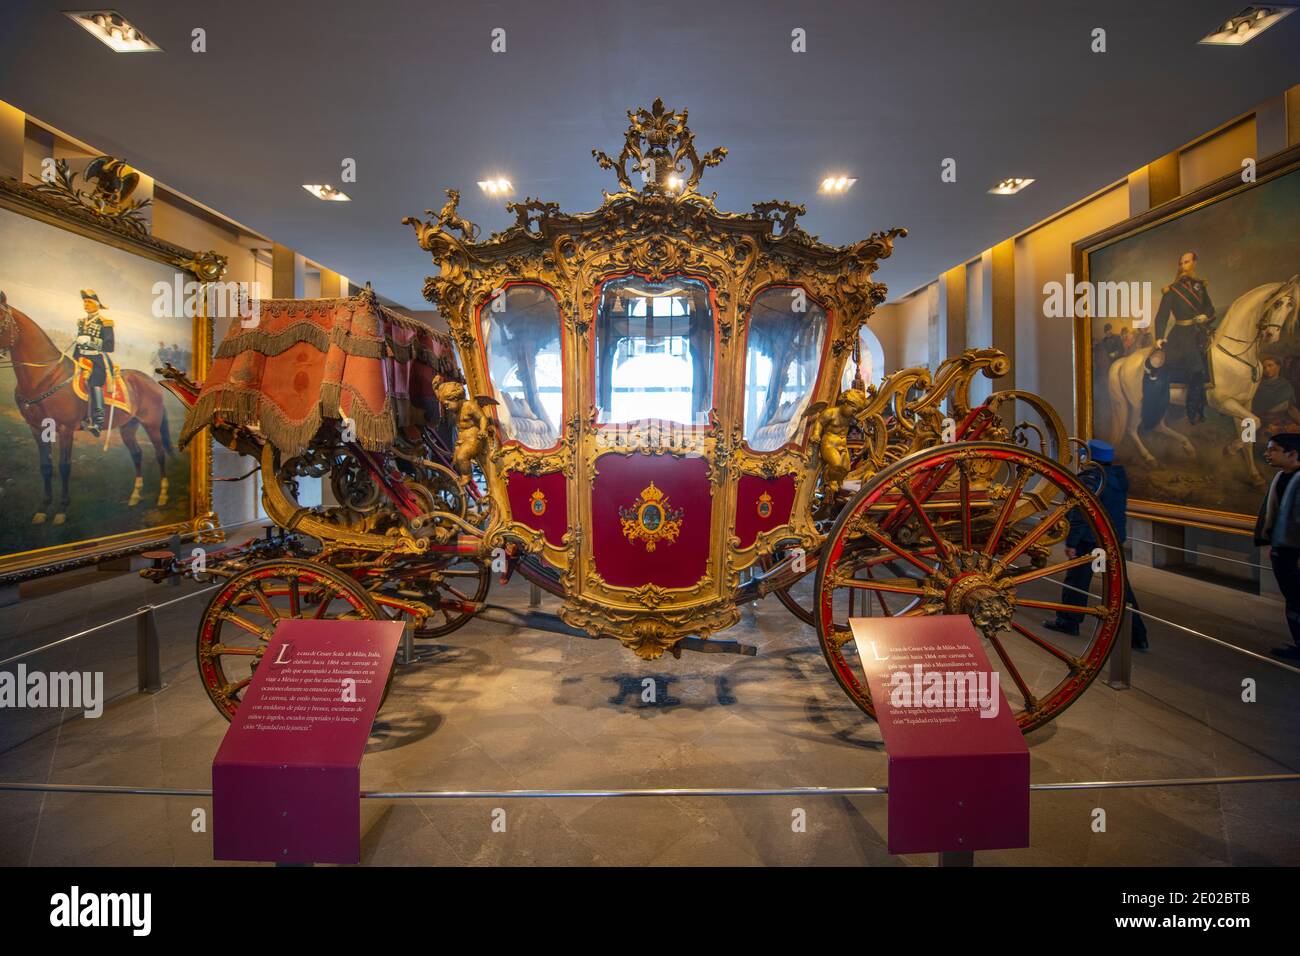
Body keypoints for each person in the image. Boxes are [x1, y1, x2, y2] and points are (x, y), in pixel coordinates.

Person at [1043, 439, 1149, 649]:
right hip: (1110, 539)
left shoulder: (1090, 480)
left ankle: (1068, 621)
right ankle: (1137, 636)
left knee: (1077, 582)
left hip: (1089, 541)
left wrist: (1072, 542)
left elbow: (1081, 514)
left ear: (1089, 458)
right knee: (1119, 587)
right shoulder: (1118, 478)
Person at [1153, 251, 1215, 424]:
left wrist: (1205, 315)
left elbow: (1210, 308)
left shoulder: (1201, 287)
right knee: (1196, 369)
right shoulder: (1171, 291)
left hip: (1200, 331)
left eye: (1186, 262)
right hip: (1181, 334)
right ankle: (1192, 410)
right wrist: (1159, 337)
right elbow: (1162, 317)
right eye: (1181, 263)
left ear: (1194, 263)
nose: (1183, 266)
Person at [1254, 432, 1300, 660]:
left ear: (1293, 454)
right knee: (1292, 598)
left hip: (1294, 552)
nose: (1267, 454)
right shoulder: (1281, 477)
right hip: (1284, 550)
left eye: (1273, 449)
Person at [74, 289, 115, 436]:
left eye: (89, 302)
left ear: (96, 305)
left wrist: (91, 341)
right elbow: (78, 344)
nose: (86, 305)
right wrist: (74, 358)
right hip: (81, 357)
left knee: (95, 384)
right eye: (84, 302)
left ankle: (98, 422)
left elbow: (110, 346)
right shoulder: (81, 322)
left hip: (98, 359)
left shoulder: (105, 322)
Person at [1251, 356, 1300, 432]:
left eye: (1270, 365)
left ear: (1278, 367)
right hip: (1262, 424)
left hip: (1282, 421)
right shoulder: (1258, 386)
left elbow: (1291, 409)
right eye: (1264, 367)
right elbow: (1253, 409)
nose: (1267, 369)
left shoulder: (1286, 385)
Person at [1139, 349, 1170, 433]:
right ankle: (1146, 424)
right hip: (1149, 390)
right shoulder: (1148, 364)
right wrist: (1150, 375)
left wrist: (1156, 380)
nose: (1157, 362)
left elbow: (1164, 389)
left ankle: (1153, 424)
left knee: (1156, 405)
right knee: (1148, 404)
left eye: (1159, 360)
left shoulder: (1163, 372)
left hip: (1157, 392)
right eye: (1155, 359)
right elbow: (1146, 376)